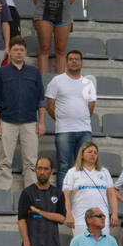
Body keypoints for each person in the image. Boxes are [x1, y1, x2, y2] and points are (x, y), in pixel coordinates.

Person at [0, 36, 46, 192]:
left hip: (30, 122)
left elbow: (41, 101)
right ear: (10, 52)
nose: (19, 52)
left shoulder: (34, 72)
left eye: (22, 50)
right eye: (16, 49)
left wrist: (41, 122)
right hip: (7, 121)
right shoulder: (1, 73)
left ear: (25, 52)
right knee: (4, 160)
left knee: (31, 162)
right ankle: (3, 193)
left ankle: (30, 194)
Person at [45, 50, 96, 187]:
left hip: (84, 130)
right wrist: (61, 119)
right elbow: (49, 104)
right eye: (71, 59)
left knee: (85, 167)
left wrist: (79, 117)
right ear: (66, 62)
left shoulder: (88, 83)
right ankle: (63, 202)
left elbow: (91, 108)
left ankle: (81, 198)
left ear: (82, 63)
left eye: (77, 59)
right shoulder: (57, 81)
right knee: (64, 167)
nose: (74, 61)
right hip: (64, 131)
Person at [18, 157, 69, 246]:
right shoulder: (27, 193)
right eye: (39, 168)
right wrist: (27, 244)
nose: (42, 172)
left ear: (52, 171)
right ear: (35, 170)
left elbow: (62, 218)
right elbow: (21, 220)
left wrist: (38, 211)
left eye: (46, 169)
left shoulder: (58, 193)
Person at [63, 141, 118, 236]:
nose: (93, 154)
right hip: (80, 218)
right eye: (89, 152)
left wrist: (115, 213)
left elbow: (111, 194)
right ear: (82, 155)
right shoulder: (72, 172)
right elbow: (66, 196)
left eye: (95, 152)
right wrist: (68, 213)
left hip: (102, 219)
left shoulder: (104, 172)